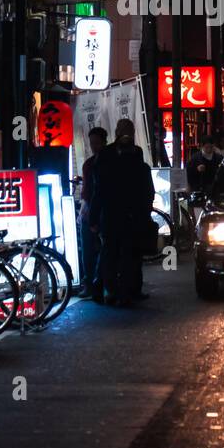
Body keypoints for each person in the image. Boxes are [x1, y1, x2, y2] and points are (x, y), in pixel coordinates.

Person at [89, 118, 155, 307]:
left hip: (115, 214)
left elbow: (99, 190)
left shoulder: (110, 154)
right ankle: (123, 292)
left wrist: (94, 216)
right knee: (126, 254)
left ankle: (115, 291)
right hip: (127, 215)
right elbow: (144, 190)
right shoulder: (132, 154)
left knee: (115, 254)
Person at [77, 126, 107, 300]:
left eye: (97, 142)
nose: (94, 146)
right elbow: (87, 190)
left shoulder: (105, 162)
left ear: (104, 142)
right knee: (88, 249)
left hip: (103, 211)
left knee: (102, 249)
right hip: (90, 209)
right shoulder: (88, 163)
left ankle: (97, 283)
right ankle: (90, 282)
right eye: (92, 143)